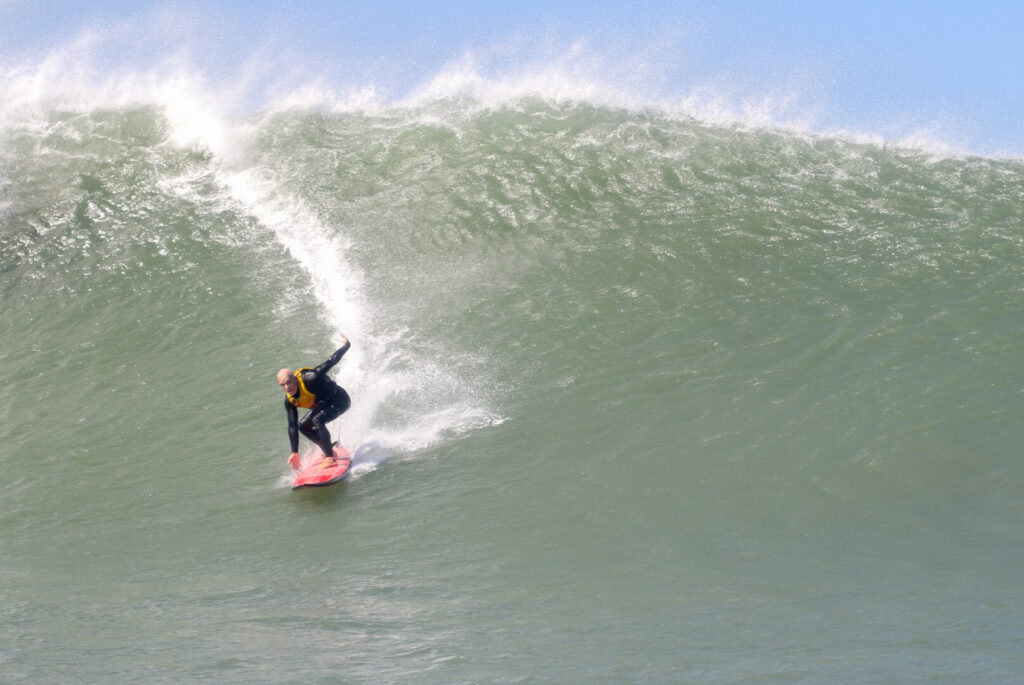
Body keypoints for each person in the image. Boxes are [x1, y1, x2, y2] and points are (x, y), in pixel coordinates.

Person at [277, 333, 352, 469]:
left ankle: (329, 458)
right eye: (283, 385)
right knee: (302, 426)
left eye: (288, 382)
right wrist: (294, 452)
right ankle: (329, 449)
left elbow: (330, 362)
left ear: (295, 379)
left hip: (340, 400)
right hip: (324, 405)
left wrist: (346, 345)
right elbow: (292, 426)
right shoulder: (290, 400)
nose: (287, 387)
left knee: (318, 420)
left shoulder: (310, 378)